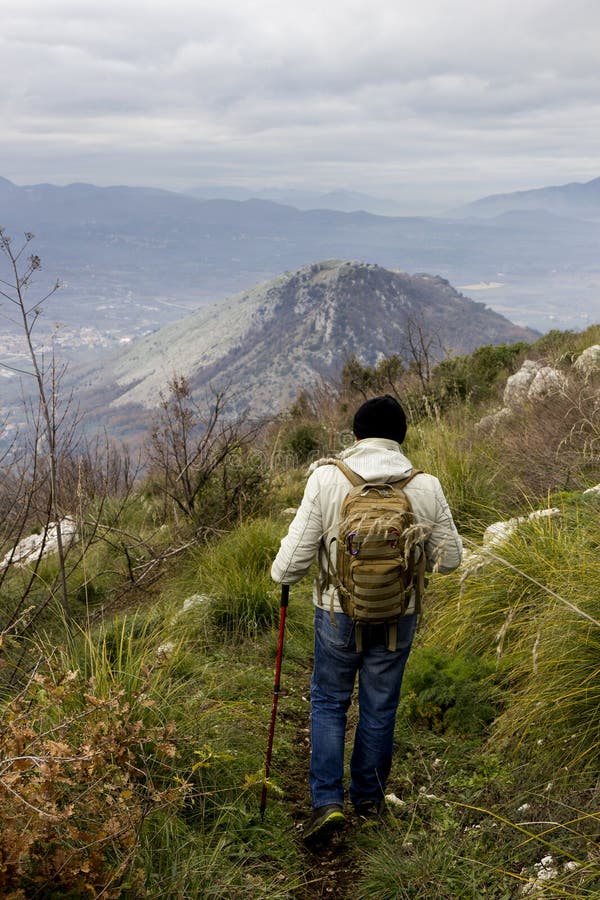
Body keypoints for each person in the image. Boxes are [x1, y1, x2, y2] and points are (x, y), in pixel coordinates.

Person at [270, 395, 463, 842]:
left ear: (355, 436)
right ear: (401, 438)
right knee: (379, 706)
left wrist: (281, 573)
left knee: (330, 701)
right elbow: (450, 560)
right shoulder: (426, 485)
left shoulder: (326, 478)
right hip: (399, 616)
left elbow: (291, 563)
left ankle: (326, 803)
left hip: (337, 613)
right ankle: (369, 801)